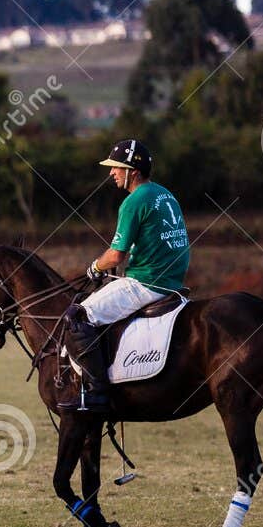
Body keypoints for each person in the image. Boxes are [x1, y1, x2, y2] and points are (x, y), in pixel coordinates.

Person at [60, 138, 190, 414]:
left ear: (133, 170)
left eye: (116, 167)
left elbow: (116, 255)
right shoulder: (164, 193)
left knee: (77, 316)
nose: (111, 173)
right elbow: (147, 240)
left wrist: (94, 267)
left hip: (147, 283)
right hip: (173, 282)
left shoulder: (133, 201)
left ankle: (96, 394)